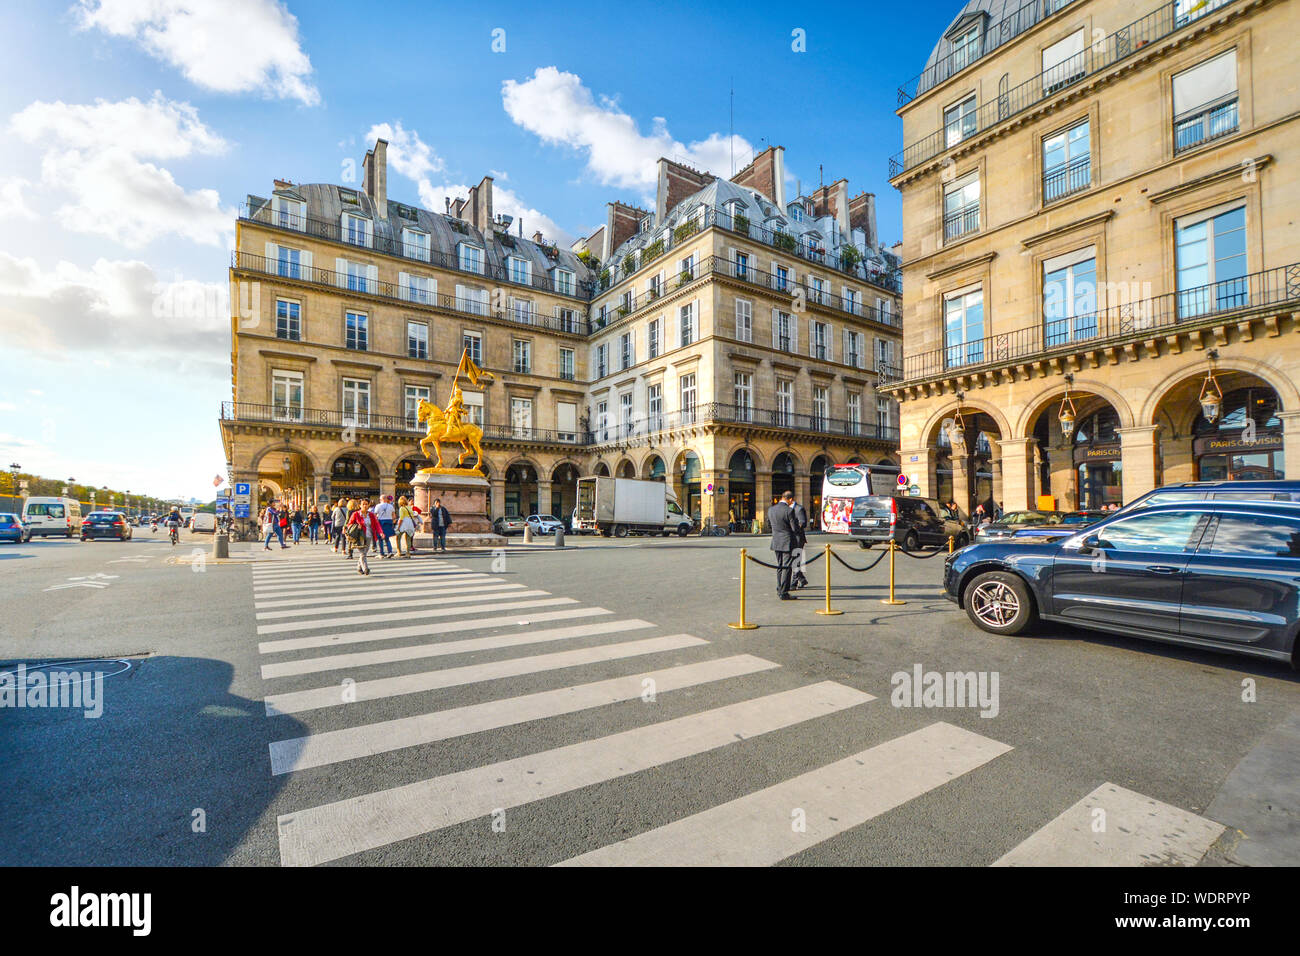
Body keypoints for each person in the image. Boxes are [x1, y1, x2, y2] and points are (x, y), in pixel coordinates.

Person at [767, 490, 800, 600]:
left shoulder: (771, 509)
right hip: (787, 542)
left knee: (780, 566)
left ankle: (779, 588)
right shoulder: (789, 511)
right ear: (790, 499)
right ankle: (784, 592)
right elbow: (794, 528)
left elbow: (768, 525)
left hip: (776, 541)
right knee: (787, 567)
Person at [345, 498, 384, 575]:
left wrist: (381, 532)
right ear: (360, 505)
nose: (365, 506)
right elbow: (349, 524)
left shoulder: (371, 515)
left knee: (364, 553)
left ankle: (359, 567)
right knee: (362, 553)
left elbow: (376, 524)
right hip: (360, 537)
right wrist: (356, 526)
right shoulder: (355, 514)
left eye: (366, 504)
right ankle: (365, 568)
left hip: (369, 536)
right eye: (363, 504)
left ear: (369, 505)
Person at [790, 498, 810, 590]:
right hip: (789, 539)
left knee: (796, 561)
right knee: (793, 560)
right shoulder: (788, 508)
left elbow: (803, 523)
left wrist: (794, 528)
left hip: (798, 538)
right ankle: (802, 579)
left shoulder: (799, 509)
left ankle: (794, 583)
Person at [372, 494, 396, 559]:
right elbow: (394, 515)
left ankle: (381, 553)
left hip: (380, 522)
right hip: (389, 521)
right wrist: (393, 521)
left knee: (380, 538)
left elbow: (374, 515)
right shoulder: (391, 506)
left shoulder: (378, 506)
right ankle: (390, 551)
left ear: (381, 499)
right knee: (387, 538)